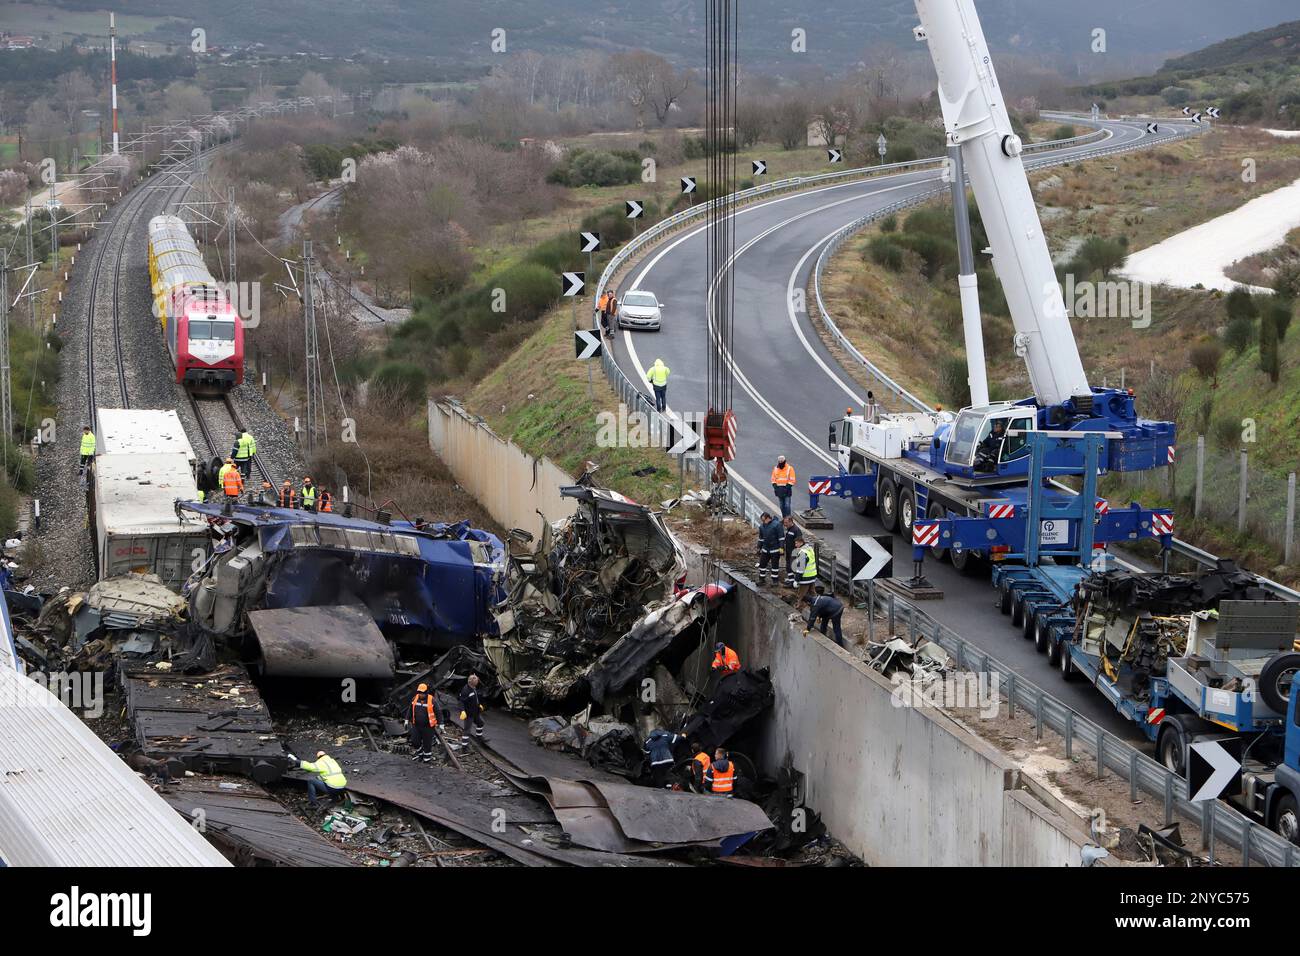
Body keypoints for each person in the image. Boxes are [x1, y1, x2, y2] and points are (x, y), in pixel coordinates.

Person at [409, 682, 439, 763]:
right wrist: (406, 720)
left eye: (423, 693)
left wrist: (441, 723)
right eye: (420, 693)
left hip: (428, 726)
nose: (421, 694)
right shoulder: (414, 699)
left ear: (426, 692)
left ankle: (427, 760)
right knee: (415, 741)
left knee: (427, 743)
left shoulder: (432, 700)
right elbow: (410, 710)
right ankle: (420, 753)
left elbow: (438, 712)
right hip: (417, 725)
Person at [458, 673, 486, 742]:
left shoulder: (473, 688)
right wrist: (462, 711)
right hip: (469, 714)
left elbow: (474, 698)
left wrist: (478, 705)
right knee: (467, 730)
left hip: (475, 712)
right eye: (476, 681)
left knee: (481, 723)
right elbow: (461, 702)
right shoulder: (466, 690)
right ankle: (464, 747)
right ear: (471, 682)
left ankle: (479, 737)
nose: (477, 682)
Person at [756, 511, 783, 583]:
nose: (763, 522)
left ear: (768, 518)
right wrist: (759, 547)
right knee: (762, 564)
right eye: (762, 520)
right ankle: (761, 579)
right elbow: (761, 538)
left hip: (775, 549)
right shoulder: (762, 527)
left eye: (764, 520)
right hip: (765, 549)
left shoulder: (777, 525)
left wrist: (781, 548)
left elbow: (781, 538)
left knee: (775, 566)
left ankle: (775, 581)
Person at [782, 515, 801, 587]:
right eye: (784, 523)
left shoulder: (796, 530)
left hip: (794, 553)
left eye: (786, 523)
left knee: (793, 568)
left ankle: (795, 583)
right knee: (788, 567)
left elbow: (799, 542)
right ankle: (791, 581)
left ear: (791, 522)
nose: (785, 524)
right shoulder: (789, 529)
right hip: (789, 552)